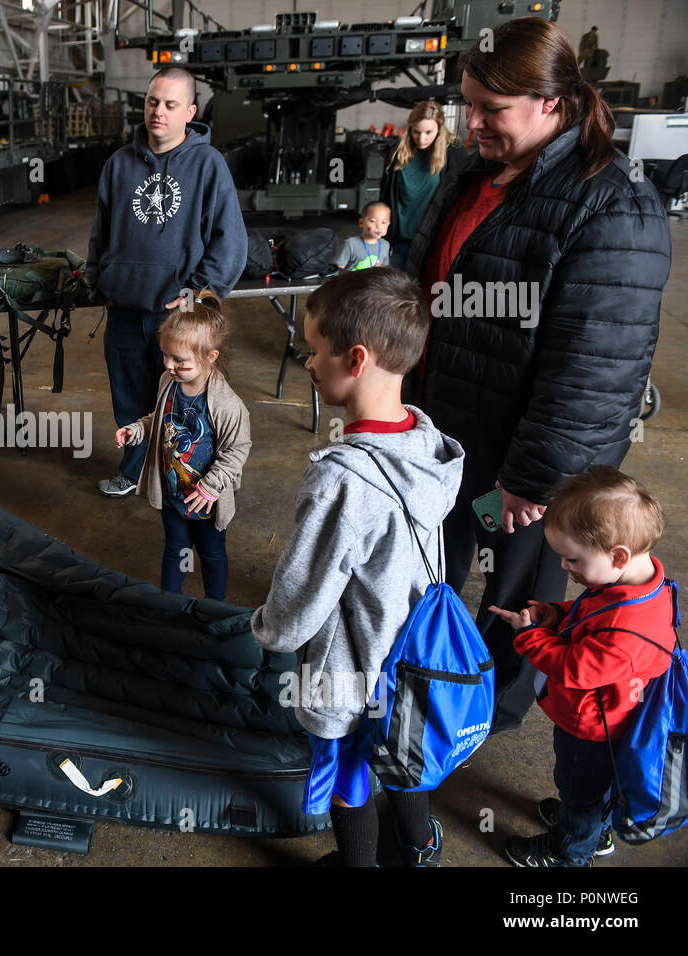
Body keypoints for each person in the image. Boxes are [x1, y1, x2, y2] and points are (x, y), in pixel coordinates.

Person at [403, 17, 671, 733]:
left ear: (551, 103)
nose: (471, 124)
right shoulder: (475, 171)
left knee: (519, 588)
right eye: (468, 104)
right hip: (443, 422)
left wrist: (535, 478)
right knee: (432, 566)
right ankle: (426, 671)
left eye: (491, 109)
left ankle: (494, 710)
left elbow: (595, 367)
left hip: (522, 452)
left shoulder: (614, 202)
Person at [248, 268, 465, 867]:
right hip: (414, 660)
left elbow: (305, 589)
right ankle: (420, 847)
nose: (308, 362)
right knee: (403, 754)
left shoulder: (343, 477)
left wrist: (269, 629)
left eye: (315, 349)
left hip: (354, 669)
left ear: (357, 357)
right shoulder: (425, 444)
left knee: (349, 775)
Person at [487, 467, 676, 867]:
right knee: (590, 790)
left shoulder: (627, 631)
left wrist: (531, 637)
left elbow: (575, 670)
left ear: (618, 555)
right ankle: (591, 823)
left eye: (572, 559)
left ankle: (569, 851)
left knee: (579, 788)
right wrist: (558, 613)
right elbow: (594, 613)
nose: (563, 568)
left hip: (592, 728)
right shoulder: (636, 584)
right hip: (605, 717)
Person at [85, 66, 246, 499]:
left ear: (189, 111)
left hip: (176, 315)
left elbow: (230, 240)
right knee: (129, 398)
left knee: (183, 403)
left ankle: (187, 477)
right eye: (152, 101)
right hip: (124, 307)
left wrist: (196, 294)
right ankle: (134, 469)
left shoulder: (209, 165)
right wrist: (100, 282)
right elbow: (100, 232)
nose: (158, 112)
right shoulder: (119, 164)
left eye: (170, 105)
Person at [114, 290, 251, 601]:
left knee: (212, 553)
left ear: (210, 357)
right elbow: (159, 419)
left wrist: (211, 487)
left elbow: (237, 451)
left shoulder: (227, 405)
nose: (169, 365)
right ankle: (169, 603)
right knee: (175, 548)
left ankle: (215, 605)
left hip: (207, 501)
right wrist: (137, 430)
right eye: (165, 356)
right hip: (173, 491)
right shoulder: (169, 383)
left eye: (180, 360)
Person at [379, 100, 459, 269]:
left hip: (433, 241)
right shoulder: (397, 154)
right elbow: (386, 196)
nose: (422, 139)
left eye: (429, 132)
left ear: (440, 129)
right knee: (399, 289)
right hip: (400, 239)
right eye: (416, 132)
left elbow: (461, 200)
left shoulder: (454, 155)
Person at [333, 201, 391, 271]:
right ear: (361, 222)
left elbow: (384, 269)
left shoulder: (385, 245)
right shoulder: (351, 244)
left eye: (384, 222)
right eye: (372, 221)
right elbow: (339, 269)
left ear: (388, 225)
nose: (379, 226)